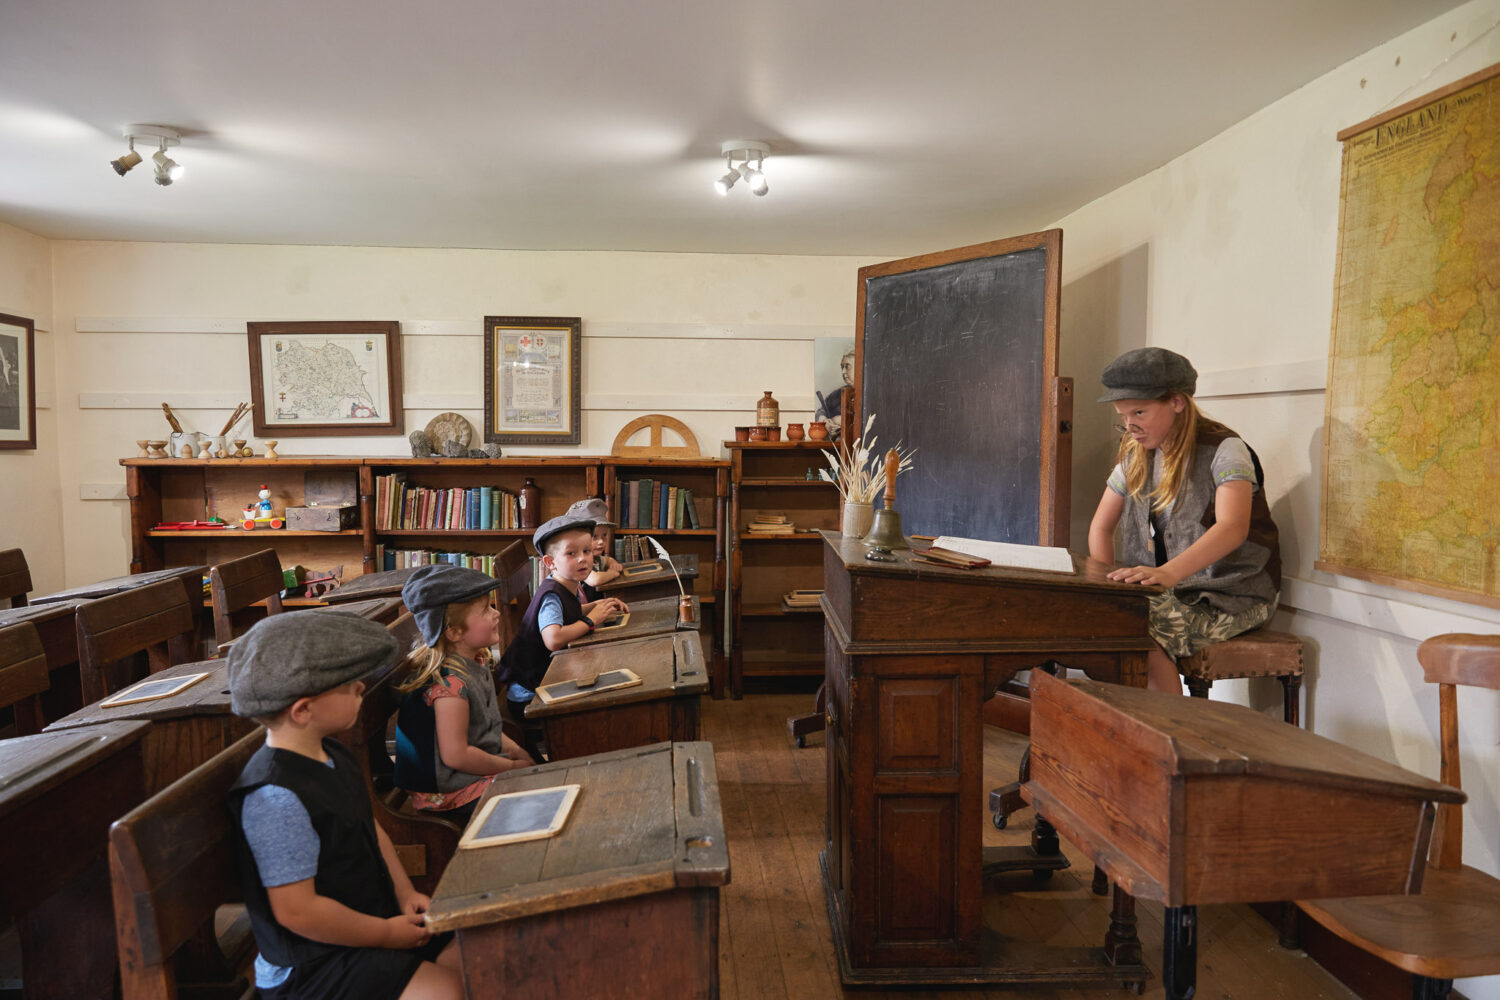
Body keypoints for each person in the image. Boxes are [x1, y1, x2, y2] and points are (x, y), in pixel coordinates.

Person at [225, 612, 463, 1000]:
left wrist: (405, 895)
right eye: (348, 685)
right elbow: (297, 912)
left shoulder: (332, 753)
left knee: (473, 954)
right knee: (446, 991)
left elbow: (370, 826)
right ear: (303, 710)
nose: (359, 687)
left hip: (365, 926)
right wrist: (386, 934)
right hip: (312, 965)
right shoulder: (275, 796)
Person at [1086, 347, 1282, 693]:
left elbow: (1233, 528)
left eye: (1140, 412)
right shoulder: (1136, 454)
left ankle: (1170, 736)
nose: (1130, 426)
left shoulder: (1224, 450)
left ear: (1177, 402)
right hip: (1172, 591)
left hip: (1232, 595)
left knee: (1139, 629)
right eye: (1123, 416)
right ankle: (1131, 730)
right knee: (1105, 618)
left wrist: (1168, 573)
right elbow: (1101, 526)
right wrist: (1104, 587)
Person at [392, 563, 535, 825]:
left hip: (465, 771)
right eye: (485, 610)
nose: (496, 614)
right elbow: (456, 755)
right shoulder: (449, 687)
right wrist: (511, 768)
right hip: (445, 790)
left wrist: (514, 750)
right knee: (530, 805)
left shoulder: (475, 661)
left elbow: (488, 724)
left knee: (538, 780)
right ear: (454, 632)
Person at [497, 509, 629, 728]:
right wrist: (591, 621)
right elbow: (553, 638)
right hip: (529, 696)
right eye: (571, 553)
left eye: (587, 551)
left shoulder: (567, 583)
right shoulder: (551, 595)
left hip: (544, 679)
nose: (583, 559)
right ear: (550, 562)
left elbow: (570, 612)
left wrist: (596, 606)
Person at [564, 497, 622, 602]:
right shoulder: (579, 562)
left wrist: (612, 562)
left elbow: (607, 560)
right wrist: (613, 573)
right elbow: (595, 579)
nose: (601, 541)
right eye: (594, 537)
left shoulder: (595, 558)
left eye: (604, 535)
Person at [816, 347, 855, 440]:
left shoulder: (870, 394)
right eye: (842, 367)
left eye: (847, 367)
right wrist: (825, 422)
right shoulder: (838, 394)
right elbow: (821, 411)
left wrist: (844, 421)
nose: (843, 372)